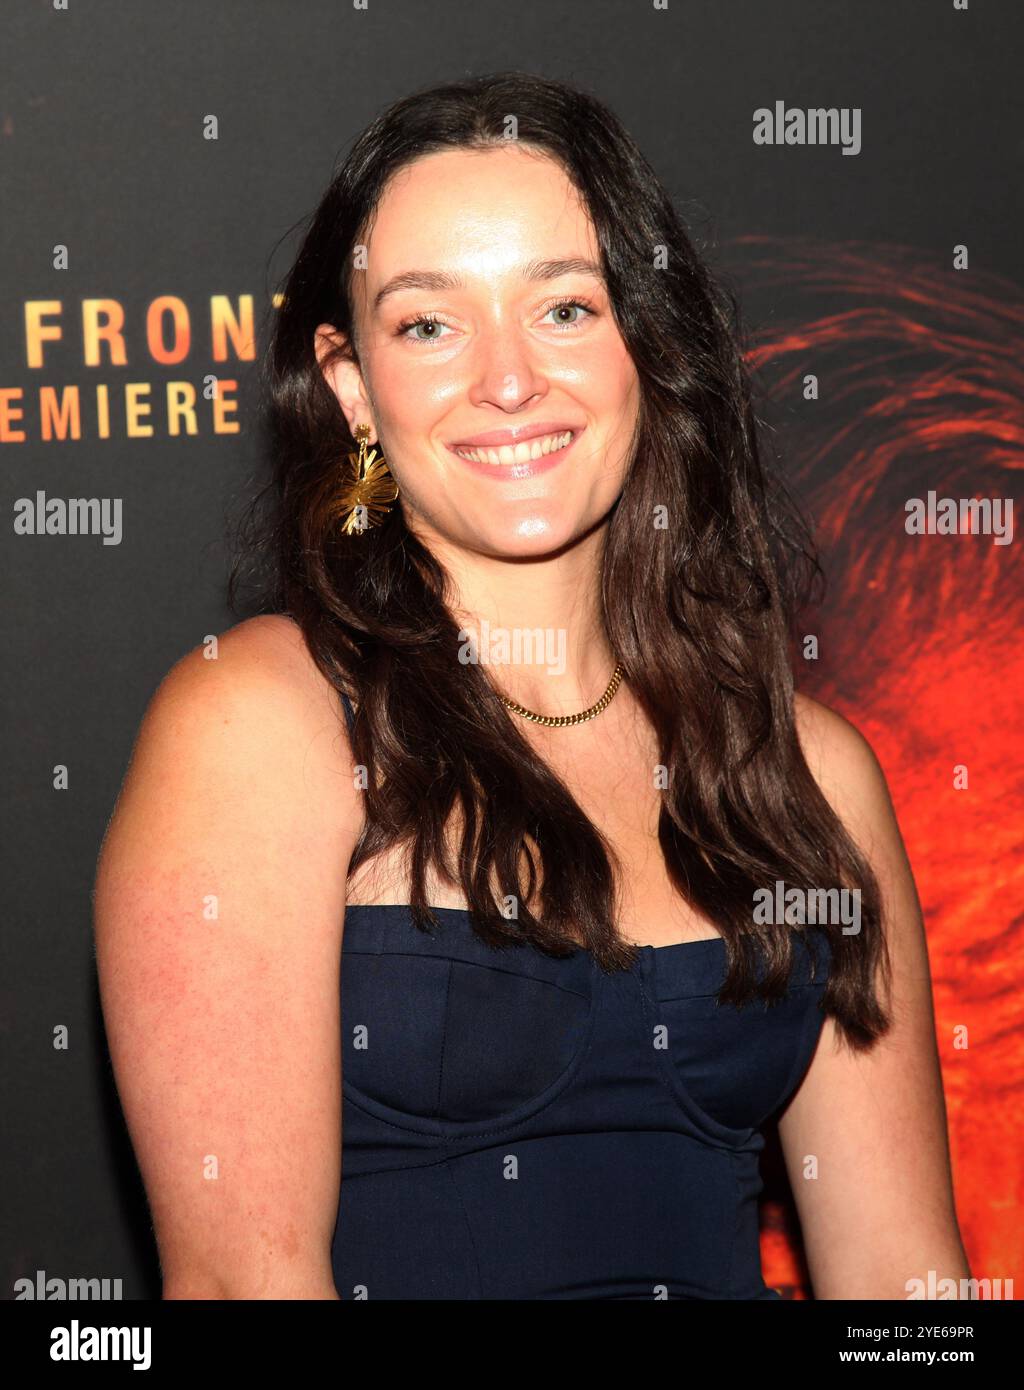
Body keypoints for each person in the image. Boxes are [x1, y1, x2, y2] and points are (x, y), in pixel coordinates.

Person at [93, 72, 970, 1300]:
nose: (507, 380)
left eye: (563, 307)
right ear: (352, 387)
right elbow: (245, 1285)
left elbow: (902, 1282)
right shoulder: (261, 723)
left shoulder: (804, 767)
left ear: (648, 343)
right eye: (428, 325)